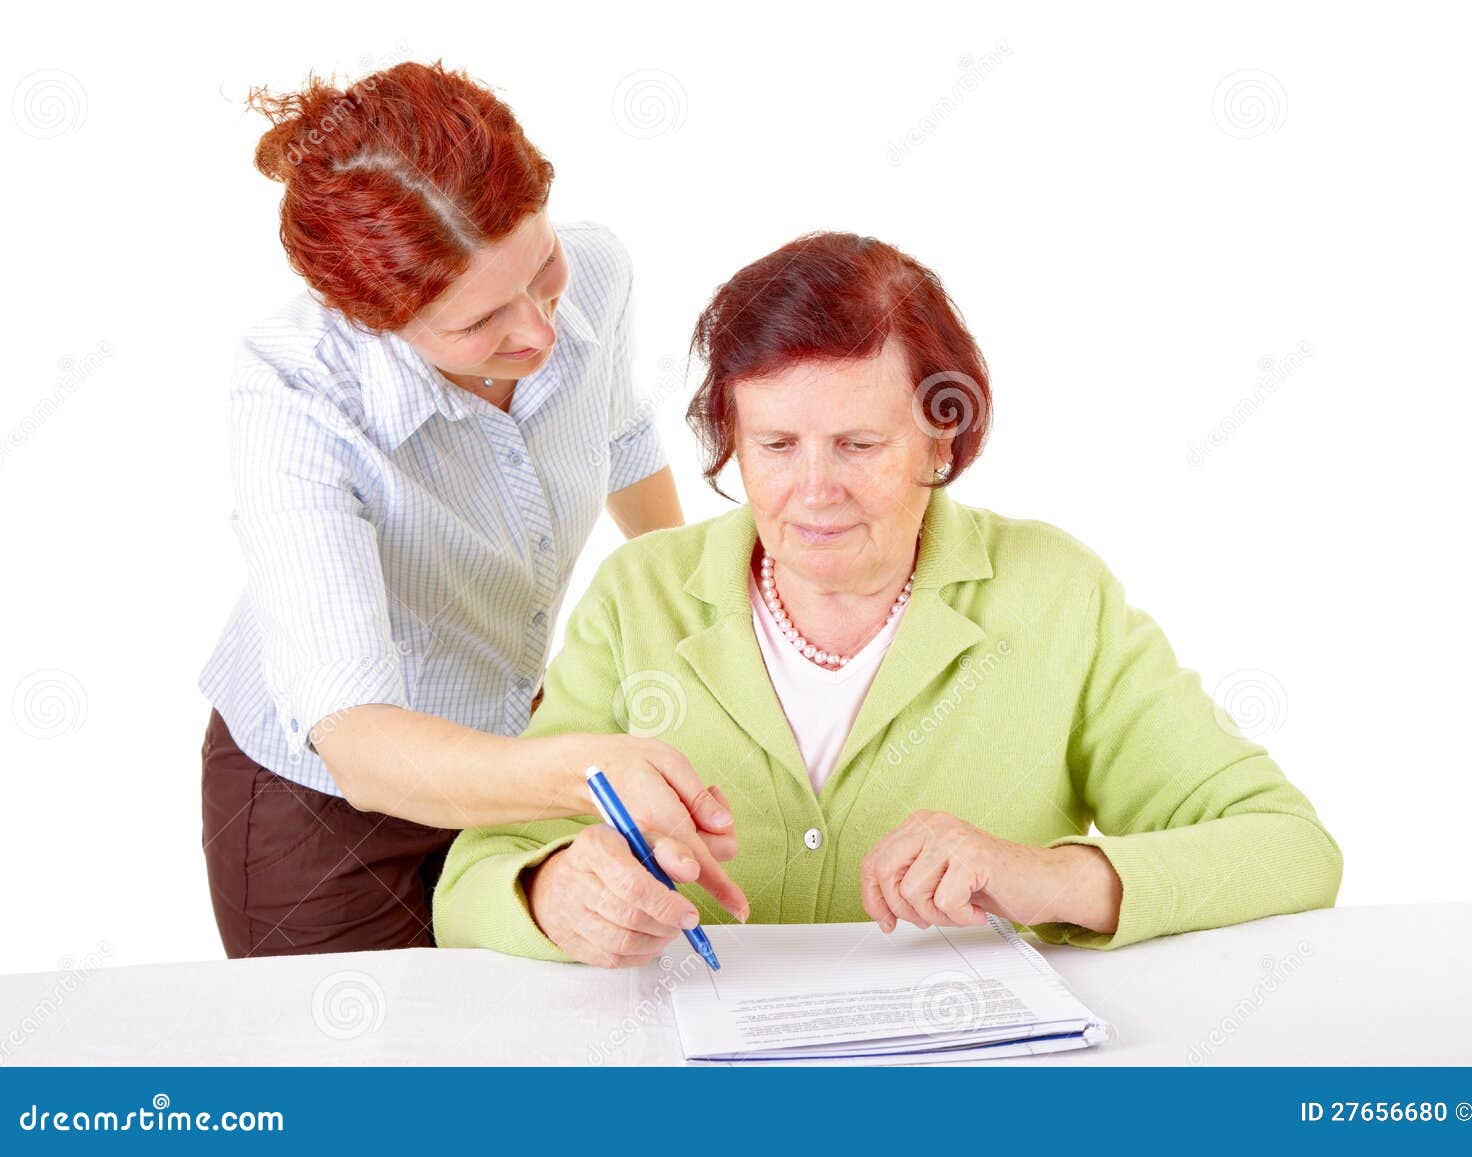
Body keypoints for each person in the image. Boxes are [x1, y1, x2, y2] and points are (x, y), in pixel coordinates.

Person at [432, 230, 1343, 966]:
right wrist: (553, 893)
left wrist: (1039, 876)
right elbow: (474, 876)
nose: (814, 489)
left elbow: (1289, 848)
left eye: (859, 445)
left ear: (940, 440)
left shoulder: (1054, 593)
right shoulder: (640, 594)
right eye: (777, 445)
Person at [198, 60, 742, 959]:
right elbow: (360, 742)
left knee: (516, 1036)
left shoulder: (596, 271)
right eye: (481, 322)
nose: (539, 329)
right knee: (370, 1079)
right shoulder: (295, 391)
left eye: (542, 272)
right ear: (373, 318)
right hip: (321, 799)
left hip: (512, 741)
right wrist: (587, 768)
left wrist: (698, 614)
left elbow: (617, 433)